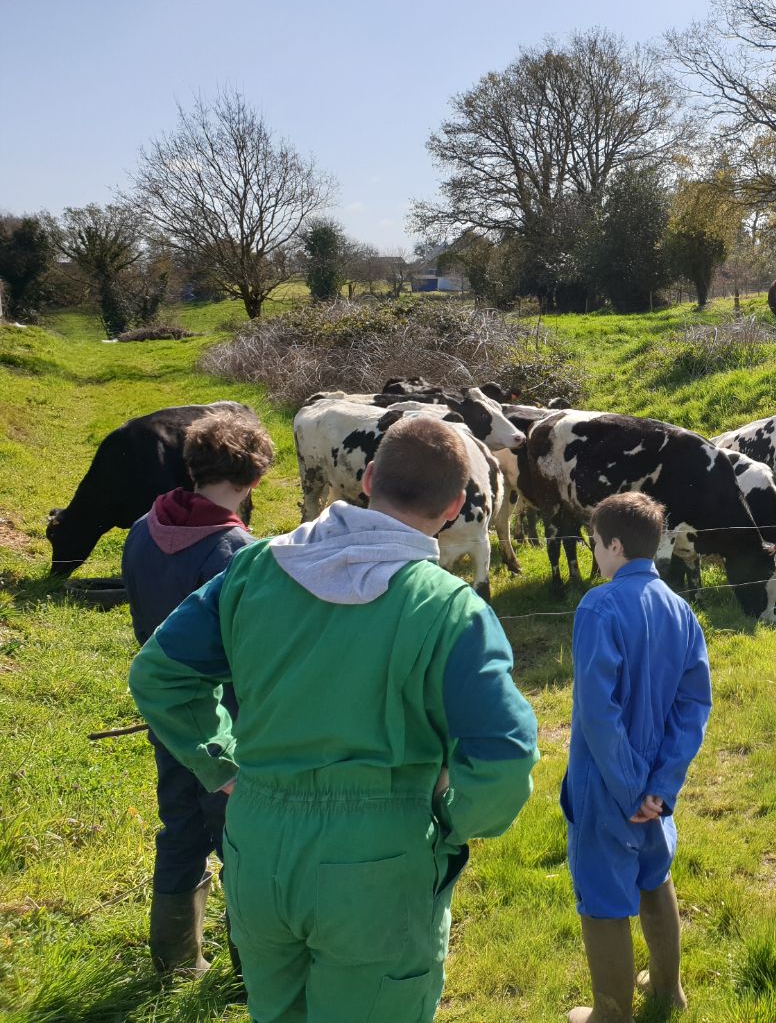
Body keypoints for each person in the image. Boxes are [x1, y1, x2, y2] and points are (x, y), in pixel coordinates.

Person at [129, 414, 539, 1023]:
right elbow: (504, 757)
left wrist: (220, 762)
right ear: (456, 507)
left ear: (368, 477)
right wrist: (451, 825)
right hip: (379, 859)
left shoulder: (255, 567)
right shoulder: (451, 609)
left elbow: (158, 674)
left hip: (258, 845)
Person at [121, 407, 274, 977]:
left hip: (166, 710)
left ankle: (175, 957)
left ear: (190, 466)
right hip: (223, 724)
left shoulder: (142, 528)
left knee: (179, 823)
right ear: (256, 478)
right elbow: (248, 654)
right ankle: (251, 964)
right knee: (241, 838)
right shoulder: (235, 554)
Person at [563, 493, 712, 1023]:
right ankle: (668, 990)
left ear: (615, 545)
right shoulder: (681, 609)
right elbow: (694, 704)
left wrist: (630, 791)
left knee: (603, 899)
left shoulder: (597, 606)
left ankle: (610, 1015)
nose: (597, 555)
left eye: (596, 545)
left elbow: (598, 713)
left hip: (608, 785)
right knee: (654, 874)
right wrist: (660, 788)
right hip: (656, 786)